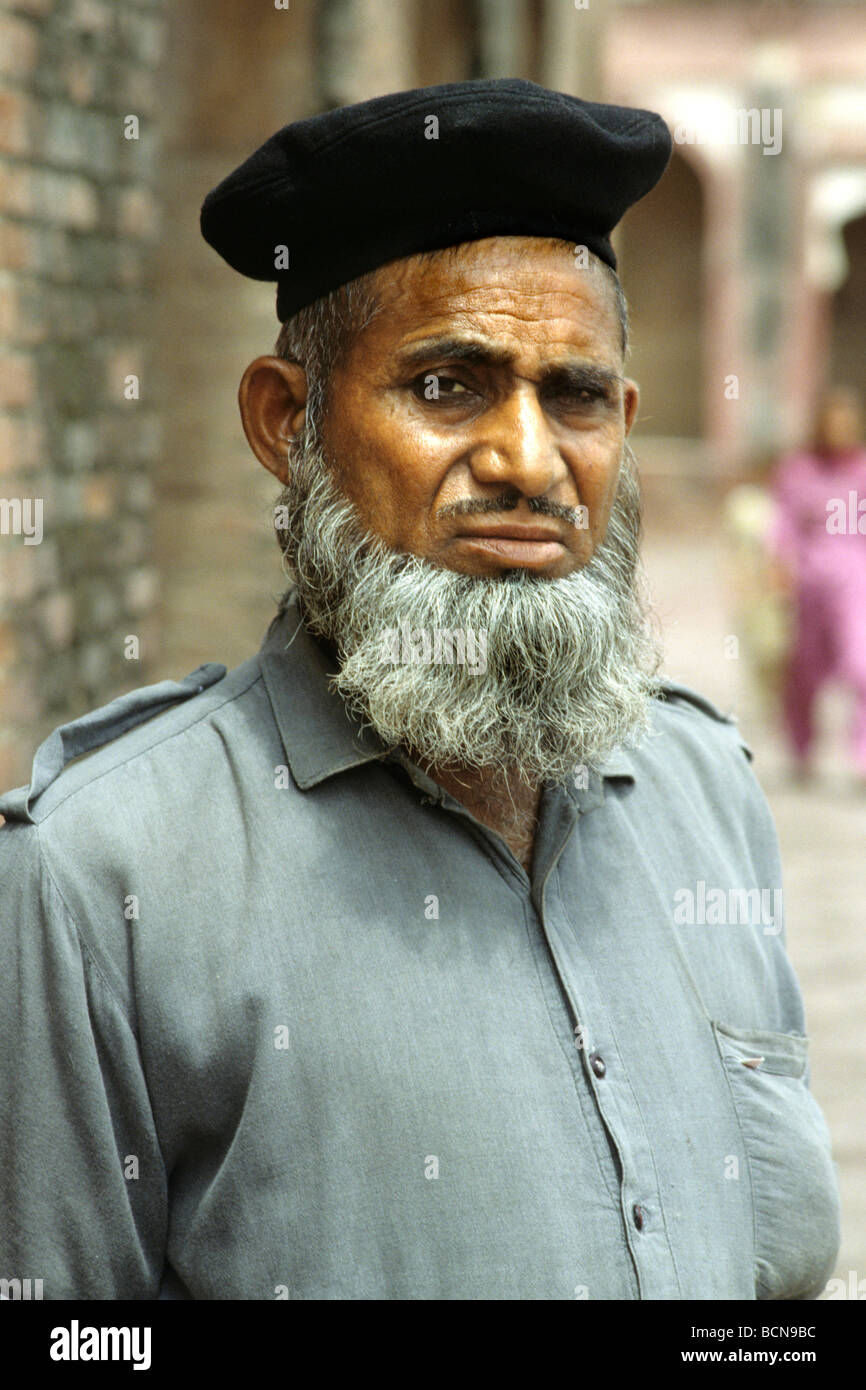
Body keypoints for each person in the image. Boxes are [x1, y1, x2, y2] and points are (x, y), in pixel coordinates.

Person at [0, 79, 840, 1300]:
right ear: (287, 422)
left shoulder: (705, 788)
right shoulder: (97, 879)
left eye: (575, 396)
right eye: (447, 385)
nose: (526, 459)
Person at [769, 385, 866, 779]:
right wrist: (777, 568)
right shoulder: (798, 470)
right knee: (804, 673)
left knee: (861, 664)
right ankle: (802, 748)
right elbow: (781, 526)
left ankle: (861, 756)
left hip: (855, 584)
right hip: (807, 586)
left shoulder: (861, 471)